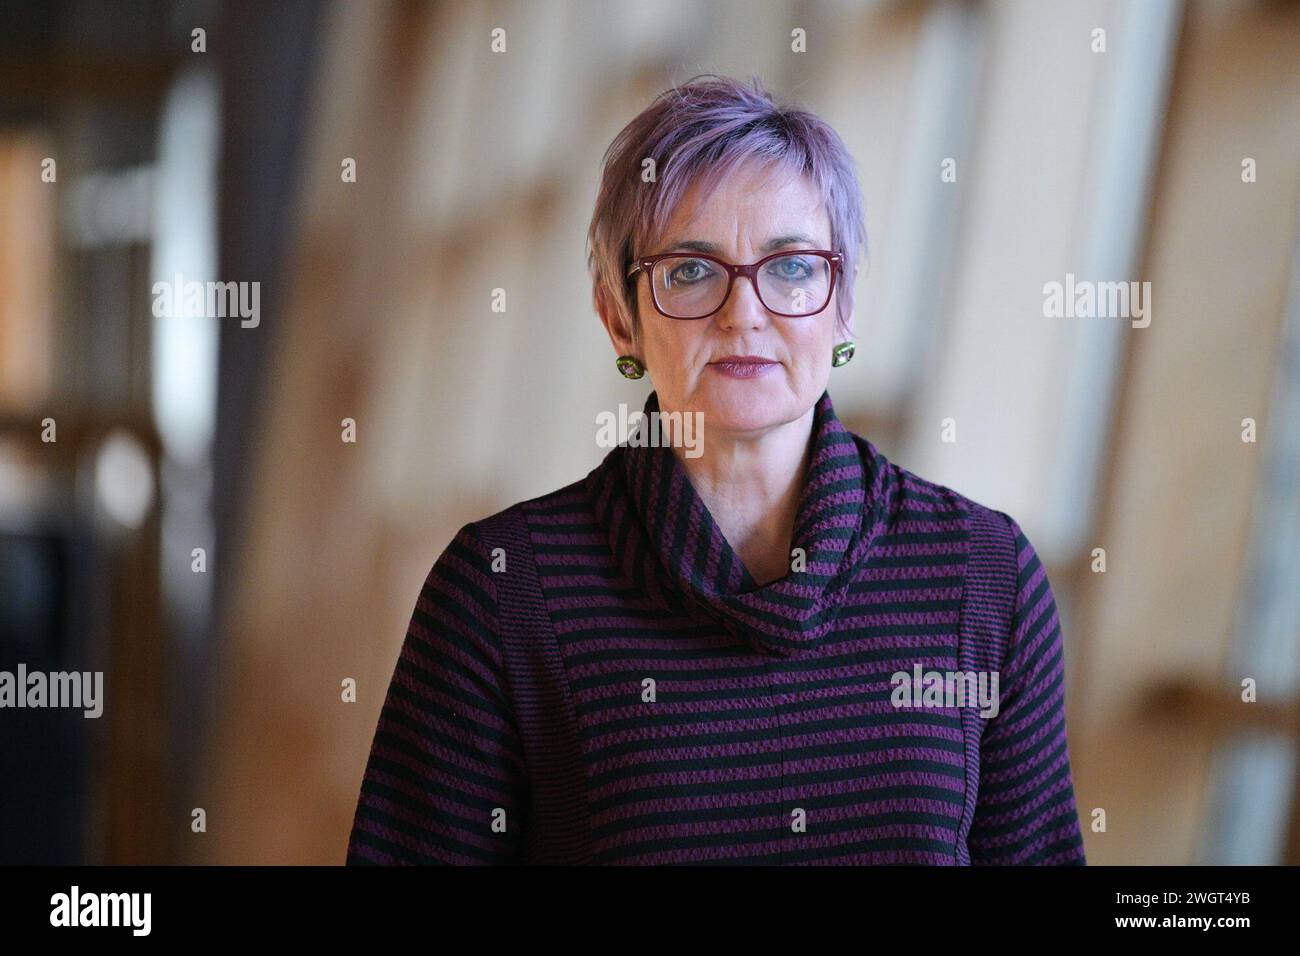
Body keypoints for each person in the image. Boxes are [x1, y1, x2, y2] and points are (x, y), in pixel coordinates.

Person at [346, 74, 1086, 865]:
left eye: (792, 267)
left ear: (845, 302)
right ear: (617, 315)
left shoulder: (983, 577)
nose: (746, 314)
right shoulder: (502, 589)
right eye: (692, 271)